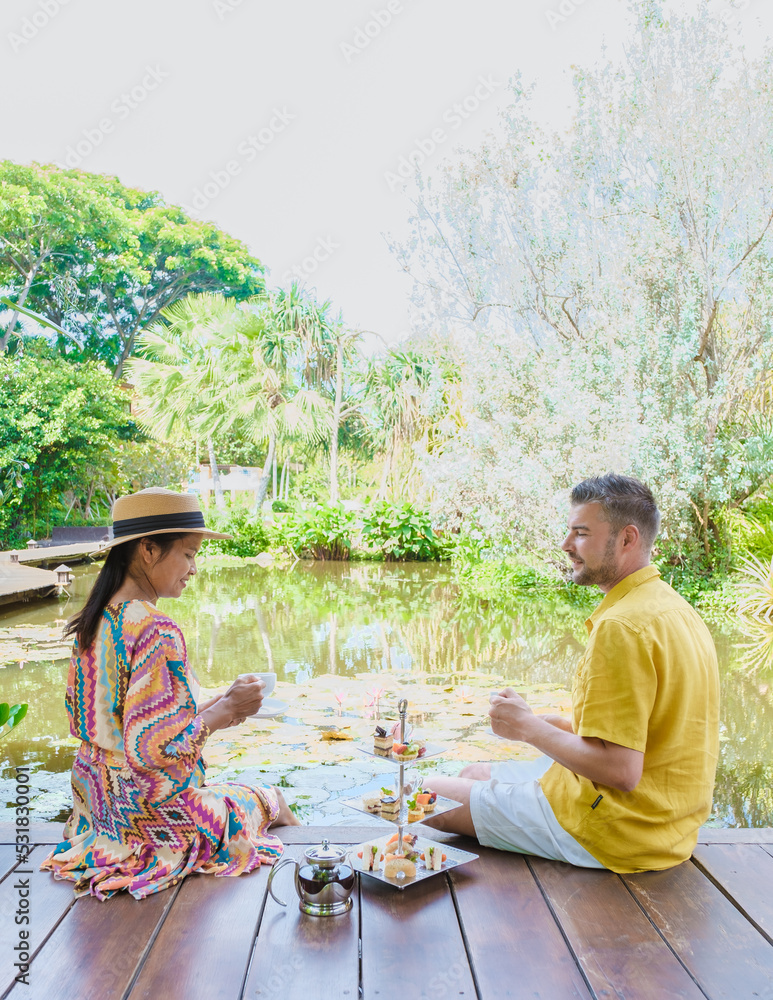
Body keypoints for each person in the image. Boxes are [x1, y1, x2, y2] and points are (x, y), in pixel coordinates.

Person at [424, 474, 720, 873]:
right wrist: (544, 724)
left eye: (581, 534)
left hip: (617, 831)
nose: (566, 546)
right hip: (670, 828)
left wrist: (528, 729)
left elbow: (621, 771)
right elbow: (647, 738)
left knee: (428, 795)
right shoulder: (675, 609)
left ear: (627, 539)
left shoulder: (622, 626)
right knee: (472, 773)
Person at [41, 487, 299, 900]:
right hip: (150, 821)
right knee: (263, 798)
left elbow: (101, 721)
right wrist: (225, 711)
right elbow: (153, 751)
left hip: (96, 812)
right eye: (190, 553)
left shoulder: (94, 620)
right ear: (148, 549)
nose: (194, 568)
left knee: (239, 793)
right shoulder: (155, 628)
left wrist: (222, 702)